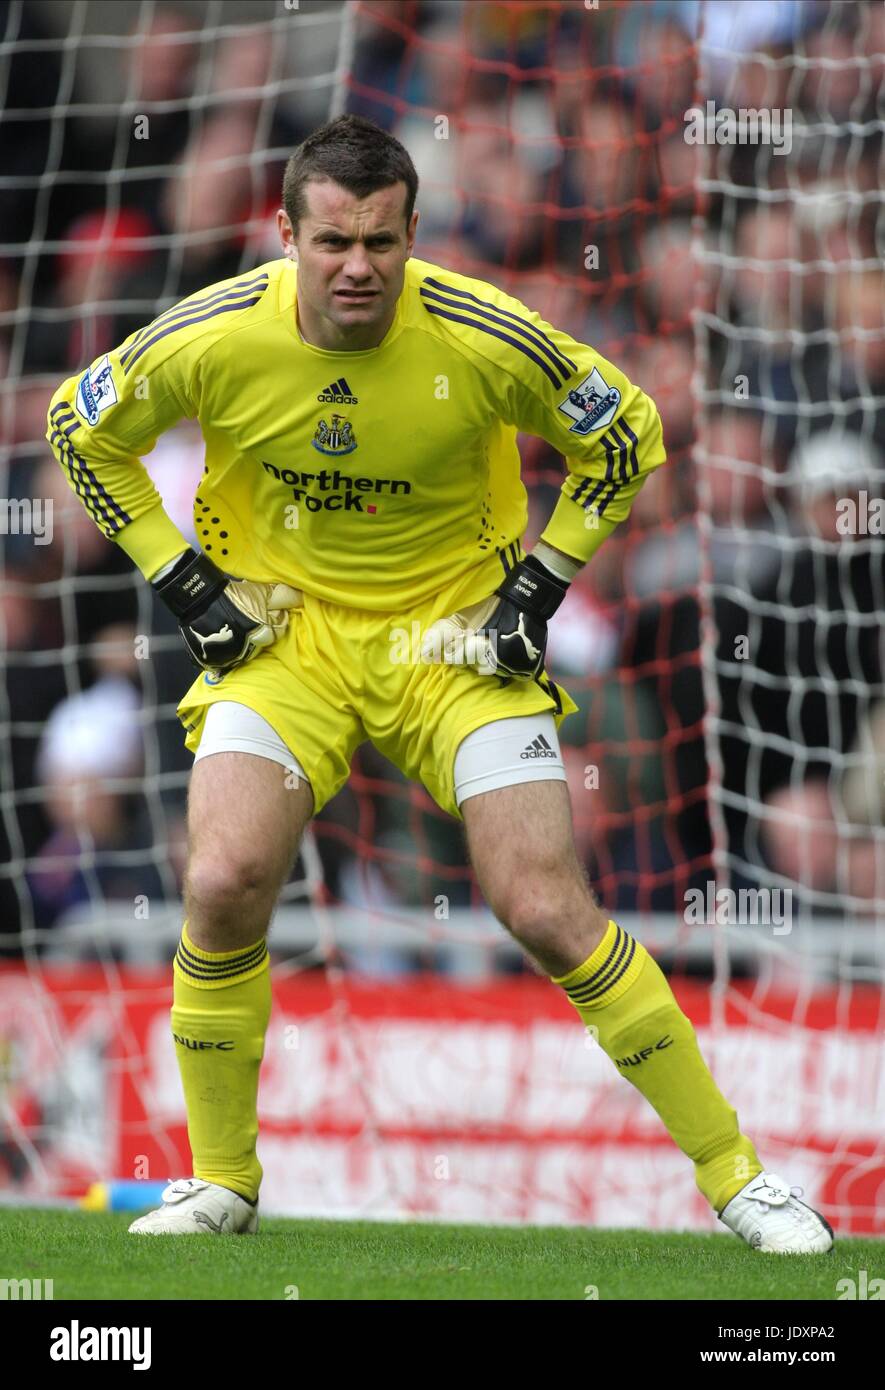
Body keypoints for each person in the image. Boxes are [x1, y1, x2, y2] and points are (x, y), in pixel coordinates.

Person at [46, 114, 831, 1252]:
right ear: (287, 235)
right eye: (330, 242)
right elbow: (80, 426)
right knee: (219, 876)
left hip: (454, 648)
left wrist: (540, 588)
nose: (355, 265)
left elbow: (630, 436)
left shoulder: (483, 334)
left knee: (546, 907)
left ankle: (741, 1179)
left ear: (415, 231)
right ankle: (221, 1182)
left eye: (378, 240)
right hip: (287, 645)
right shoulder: (215, 333)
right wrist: (181, 582)